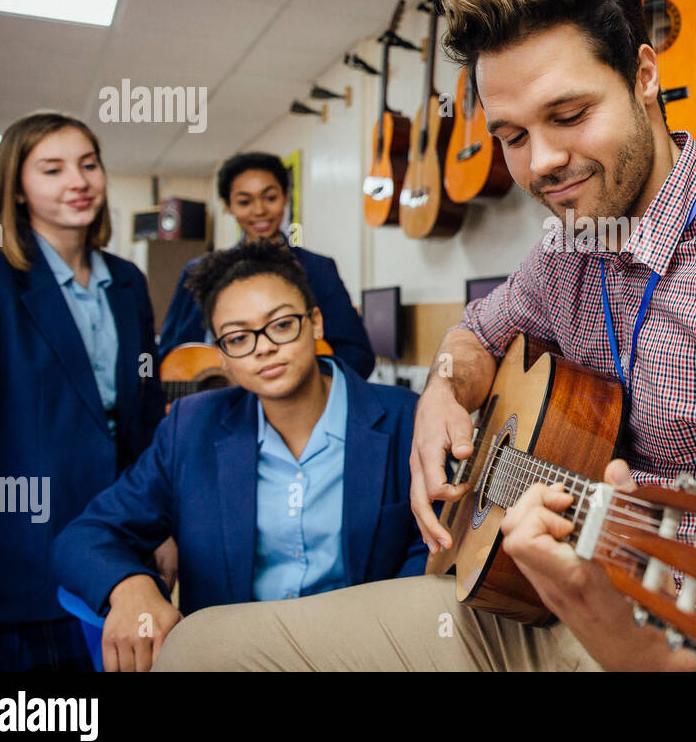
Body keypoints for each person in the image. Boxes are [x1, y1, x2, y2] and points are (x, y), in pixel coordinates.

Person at [152, 0, 696, 672]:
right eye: (512, 136)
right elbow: (476, 334)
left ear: (646, 75)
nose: (543, 164)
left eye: (568, 116)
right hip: (531, 598)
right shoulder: (567, 253)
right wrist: (443, 395)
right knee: (199, 650)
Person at [54, 240, 426, 671]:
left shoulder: (403, 415)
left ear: (316, 323)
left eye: (281, 325)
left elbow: (434, 548)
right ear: (223, 358)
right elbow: (85, 535)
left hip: (366, 659)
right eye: (238, 337)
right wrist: (132, 586)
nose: (263, 347)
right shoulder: (191, 428)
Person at [0, 111, 165, 671]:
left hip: (118, 547)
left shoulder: (127, 281)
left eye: (89, 164)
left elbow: (142, 421)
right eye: (52, 168)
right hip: (22, 555)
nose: (79, 181)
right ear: (16, 189)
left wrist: (164, 525)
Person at [157, 152, 376, 378]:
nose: (259, 210)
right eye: (244, 201)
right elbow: (171, 356)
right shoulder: (200, 272)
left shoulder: (317, 269)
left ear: (286, 196)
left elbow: (358, 356)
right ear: (227, 205)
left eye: (270, 198)